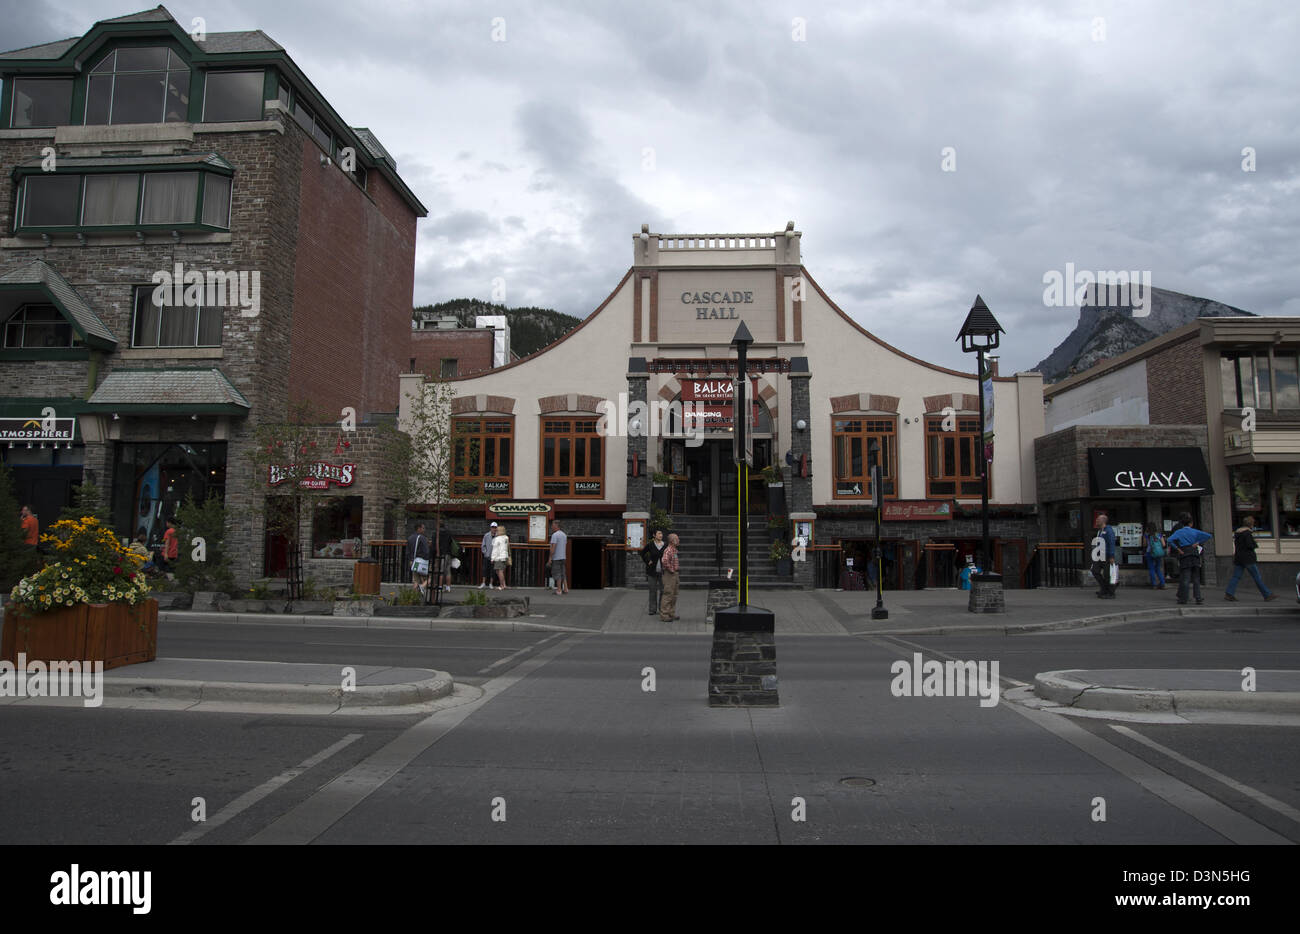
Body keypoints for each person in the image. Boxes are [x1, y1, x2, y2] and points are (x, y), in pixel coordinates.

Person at [1224, 515, 1278, 602]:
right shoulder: (1247, 533)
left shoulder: (1237, 533)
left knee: (1236, 576)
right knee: (1257, 577)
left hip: (1239, 557)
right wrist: (1255, 543)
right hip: (1248, 558)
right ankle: (1267, 594)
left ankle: (1229, 593)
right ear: (1251, 524)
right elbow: (1249, 545)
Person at [1167, 513, 1212, 605]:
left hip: (1184, 553)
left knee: (1185, 578)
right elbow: (1208, 536)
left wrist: (1178, 549)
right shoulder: (1194, 531)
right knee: (1196, 578)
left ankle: (1184, 598)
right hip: (1194, 553)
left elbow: (1169, 540)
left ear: (1182, 524)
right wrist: (1198, 542)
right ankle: (1198, 597)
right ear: (1191, 523)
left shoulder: (1179, 532)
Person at [1090, 513, 1118, 598]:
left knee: (1107, 574)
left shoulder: (1108, 530)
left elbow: (1111, 543)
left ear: (1103, 521)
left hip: (1107, 555)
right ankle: (1104, 588)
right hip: (1100, 555)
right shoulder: (1100, 531)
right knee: (1095, 570)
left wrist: (1112, 556)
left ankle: (1110, 593)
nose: (1096, 521)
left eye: (1098, 520)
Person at [640, 528, 666, 615]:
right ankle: (652, 609)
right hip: (652, 572)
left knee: (663, 591)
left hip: (663, 572)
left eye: (661, 533)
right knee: (652, 590)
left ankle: (662, 608)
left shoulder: (665, 545)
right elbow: (642, 553)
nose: (661, 535)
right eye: (659, 534)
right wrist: (648, 561)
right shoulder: (650, 545)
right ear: (654, 535)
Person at [659, 532, 680, 622]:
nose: (679, 540)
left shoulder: (674, 549)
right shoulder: (668, 550)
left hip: (674, 574)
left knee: (674, 594)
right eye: (677, 539)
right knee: (668, 594)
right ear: (672, 541)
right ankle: (664, 615)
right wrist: (671, 569)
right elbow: (664, 561)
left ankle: (671, 613)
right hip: (669, 574)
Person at [407, 522, 430, 597]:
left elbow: (408, 551)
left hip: (414, 561)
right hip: (422, 561)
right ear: (419, 528)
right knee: (431, 577)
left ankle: (414, 597)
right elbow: (426, 551)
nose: (424, 530)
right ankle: (422, 586)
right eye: (423, 528)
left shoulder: (410, 538)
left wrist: (411, 560)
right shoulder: (422, 538)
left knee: (415, 579)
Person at [1142, 522, 1167, 589]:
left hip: (1149, 552)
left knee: (1151, 568)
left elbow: (1144, 544)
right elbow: (1164, 544)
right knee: (1158, 568)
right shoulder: (1159, 535)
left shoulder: (1146, 535)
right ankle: (1162, 583)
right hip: (1158, 553)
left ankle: (1154, 584)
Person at [549, 519, 568, 596]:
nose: (551, 526)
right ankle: (566, 589)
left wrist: (550, 558)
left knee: (557, 574)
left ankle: (559, 590)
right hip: (563, 557)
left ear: (556, 525)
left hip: (556, 557)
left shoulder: (555, 535)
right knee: (563, 573)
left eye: (553, 525)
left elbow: (553, 548)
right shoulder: (564, 535)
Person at [491, 523, 511, 590]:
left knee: (499, 571)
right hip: (505, 556)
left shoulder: (497, 539)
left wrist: (492, 558)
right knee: (500, 571)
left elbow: (495, 549)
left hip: (498, 557)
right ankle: (504, 584)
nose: (496, 531)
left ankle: (502, 585)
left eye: (497, 530)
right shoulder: (506, 538)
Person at [480, 522, 497, 589]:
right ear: (490, 528)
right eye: (493, 527)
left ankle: (491, 584)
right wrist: (485, 553)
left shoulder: (498, 536)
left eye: (495, 527)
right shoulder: (486, 535)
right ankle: (483, 583)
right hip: (487, 556)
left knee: (493, 571)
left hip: (494, 557)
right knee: (484, 569)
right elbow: (483, 545)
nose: (494, 529)